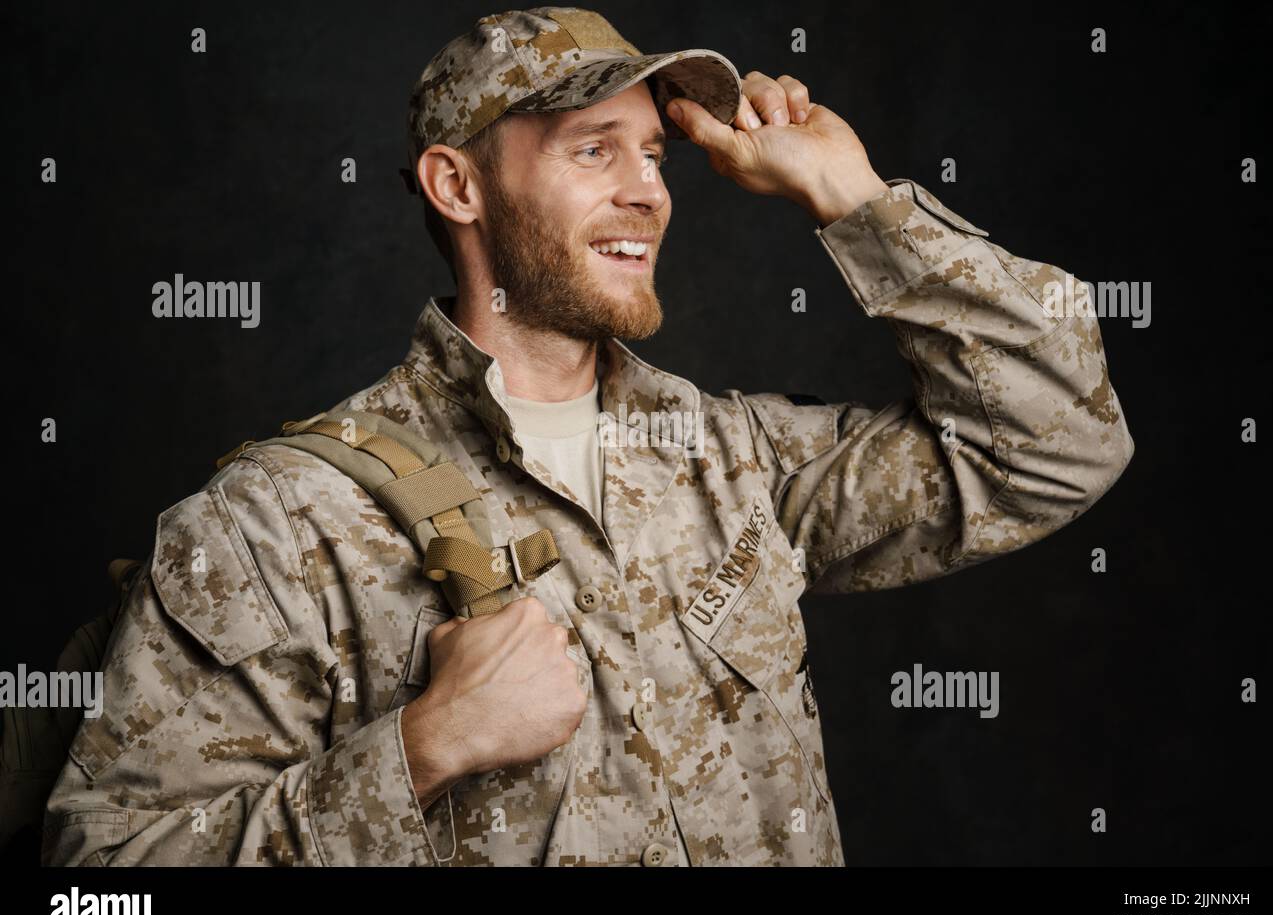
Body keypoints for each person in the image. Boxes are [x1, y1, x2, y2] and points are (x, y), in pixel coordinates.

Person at [43, 6, 1133, 866]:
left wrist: (854, 203)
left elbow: (1053, 446)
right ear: (458, 185)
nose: (647, 192)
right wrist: (421, 752)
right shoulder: (278, 526)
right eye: (591, 151)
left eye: (654, 155)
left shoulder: (732, 458)